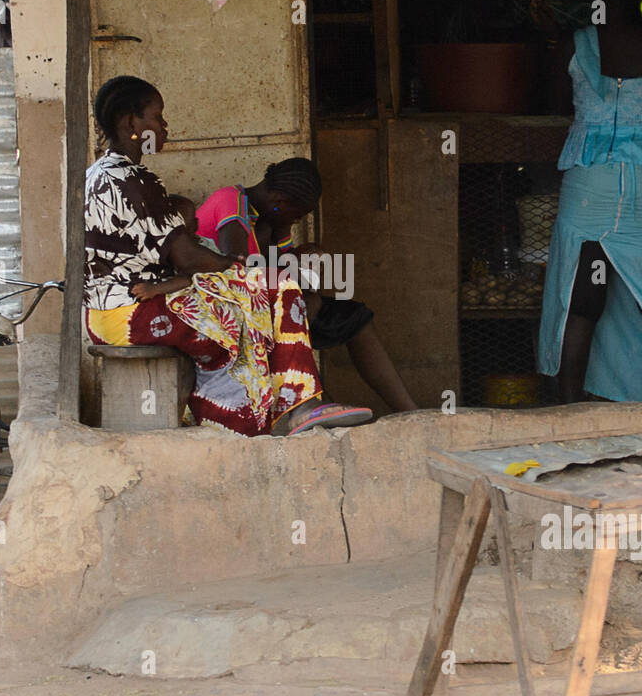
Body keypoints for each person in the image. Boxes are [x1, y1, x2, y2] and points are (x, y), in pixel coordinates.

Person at [84, 76, 373, 436]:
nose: (164, 126)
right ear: (131, 124)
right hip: (134, 313)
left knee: (235, 330)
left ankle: (239, 419)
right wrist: (234, 266)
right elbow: (189, 259)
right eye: (157, 117)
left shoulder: (97, 174)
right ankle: (300, 404)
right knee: (276, 286)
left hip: (104, 315)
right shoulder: (135, 182)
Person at [536, 0, 642, 403]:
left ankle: (571, 407)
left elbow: (554, 105)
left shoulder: (575, 44)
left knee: (583, 299)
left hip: (593, 179)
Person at [197, 161, 417, 413]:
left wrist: (305, 261)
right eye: (299, 214)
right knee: (299, 313)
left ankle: (409, 410)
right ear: (278, 199)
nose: (299, 220)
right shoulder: (230, 200)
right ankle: (315, 404)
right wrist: (298, 290)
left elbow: (283, 270)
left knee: (356, 318)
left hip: (267, 303)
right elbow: (237, 268)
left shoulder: (274, 218)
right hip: (229, 309)